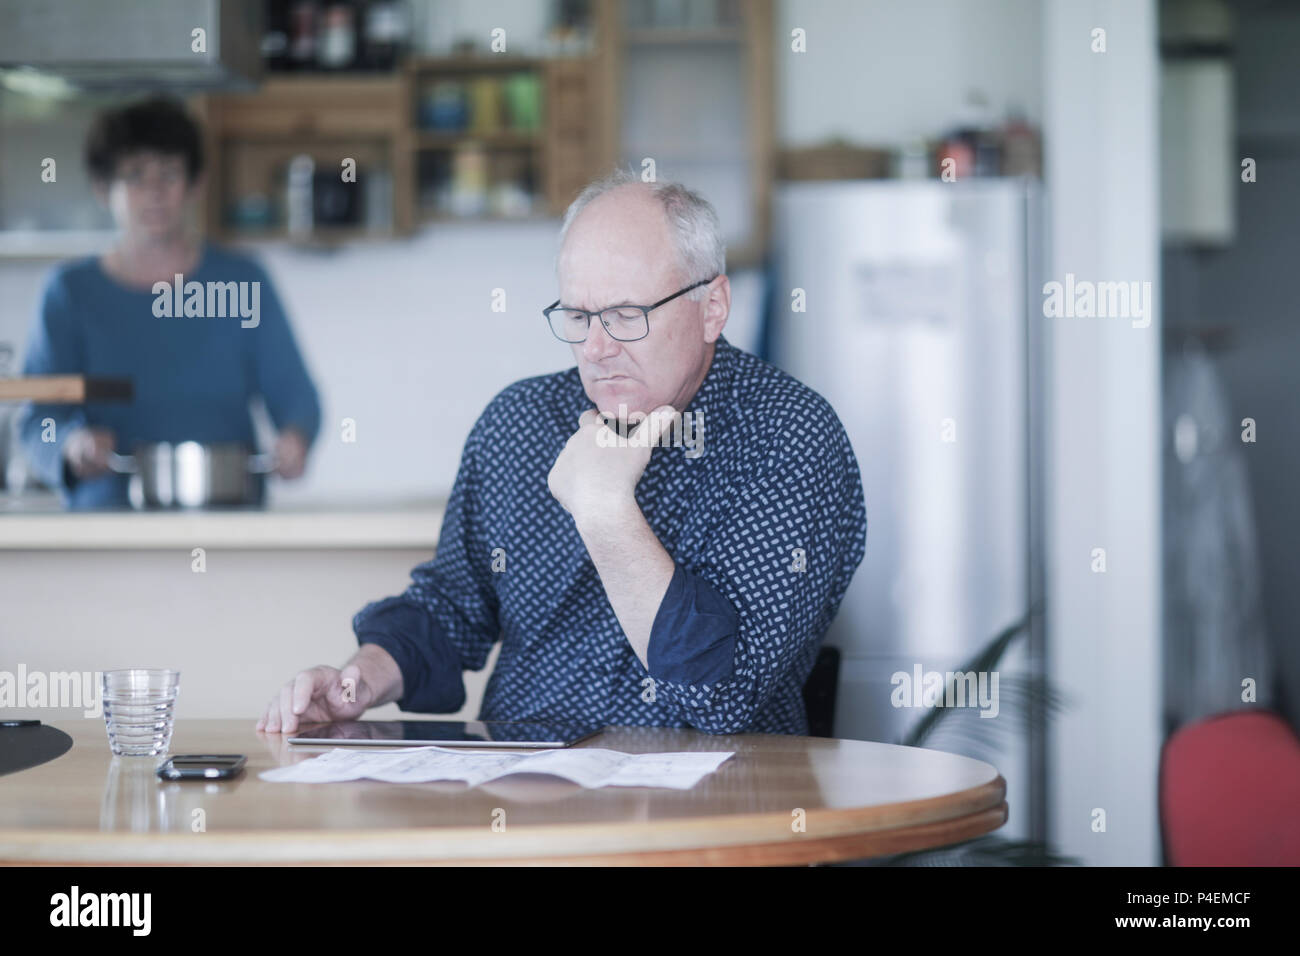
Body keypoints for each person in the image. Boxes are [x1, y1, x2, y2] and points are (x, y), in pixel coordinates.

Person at [258, 169, 866, 736]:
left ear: (712, 307)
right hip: (521, 807)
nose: (597, 348)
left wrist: (604, 511)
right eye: (578, 316)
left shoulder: (790, 434)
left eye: (627, 315)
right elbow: (448, 608)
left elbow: (723, 693)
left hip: (712, 820)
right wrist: (356, 683)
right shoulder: (520, 423)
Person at [17, 96, 321, 508]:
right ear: (104, 189)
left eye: (170, 174)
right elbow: (39, 418)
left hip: (229, 519)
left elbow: (296, 397)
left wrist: (295, 438)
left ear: (196, 184)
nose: (155, 192)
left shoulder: (241, 281)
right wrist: (71, 444)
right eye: (135, 175)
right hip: (105, 531)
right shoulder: (70, 293)